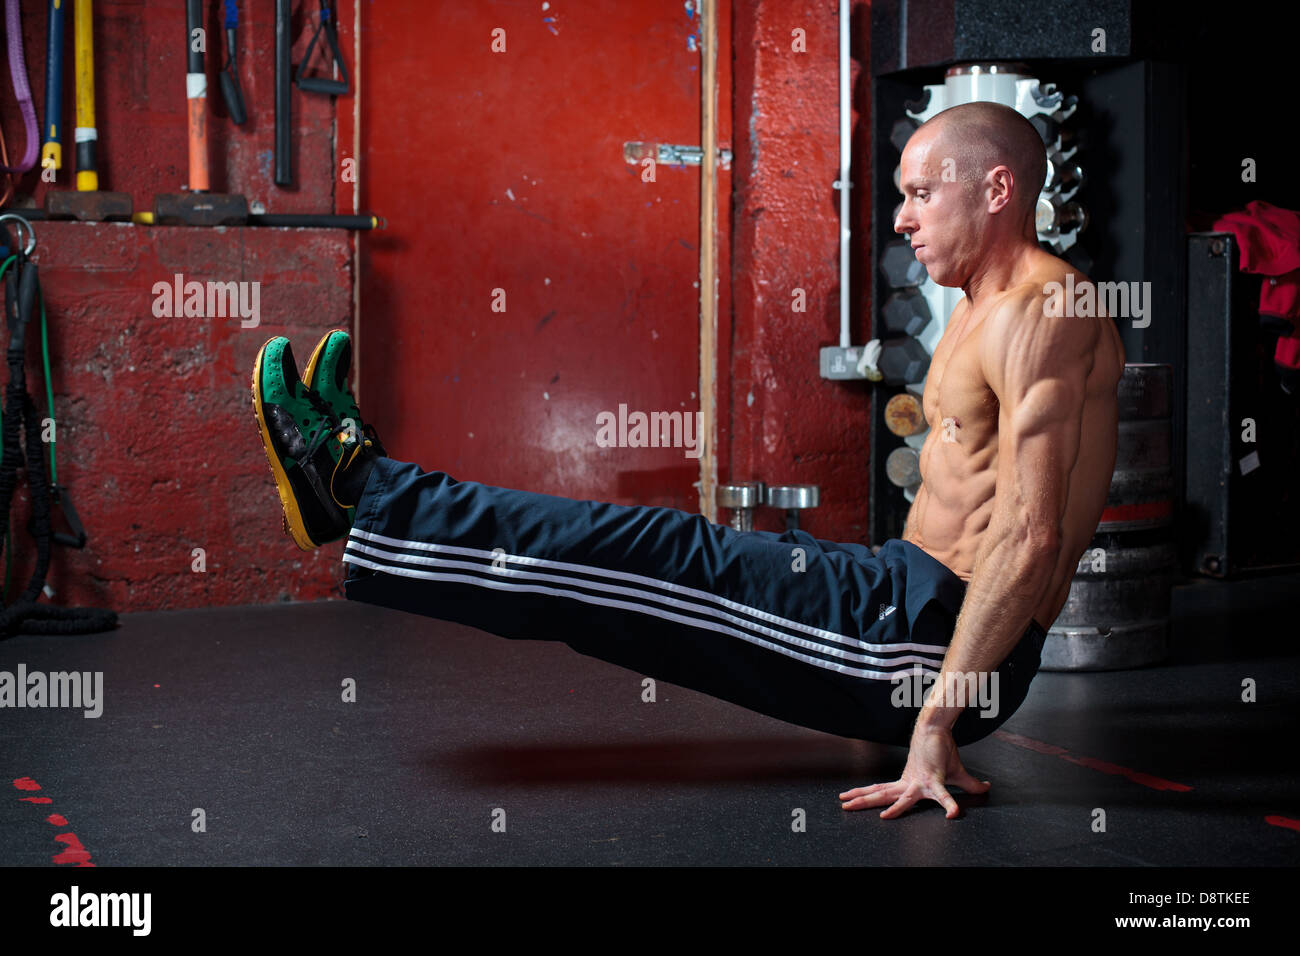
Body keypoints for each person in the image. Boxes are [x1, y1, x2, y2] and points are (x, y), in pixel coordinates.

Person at [251, 101, 1124, 820]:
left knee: (640, 560)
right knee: (655, 547)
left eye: (923, 194)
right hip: (905, 594)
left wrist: (935, 721)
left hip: (927, 650)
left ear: (998, 188)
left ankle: (359, 493)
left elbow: (1031, 534)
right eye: (903, 196)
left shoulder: (1043, 313)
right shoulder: (986, 301)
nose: (902, 218)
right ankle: (365, 495)